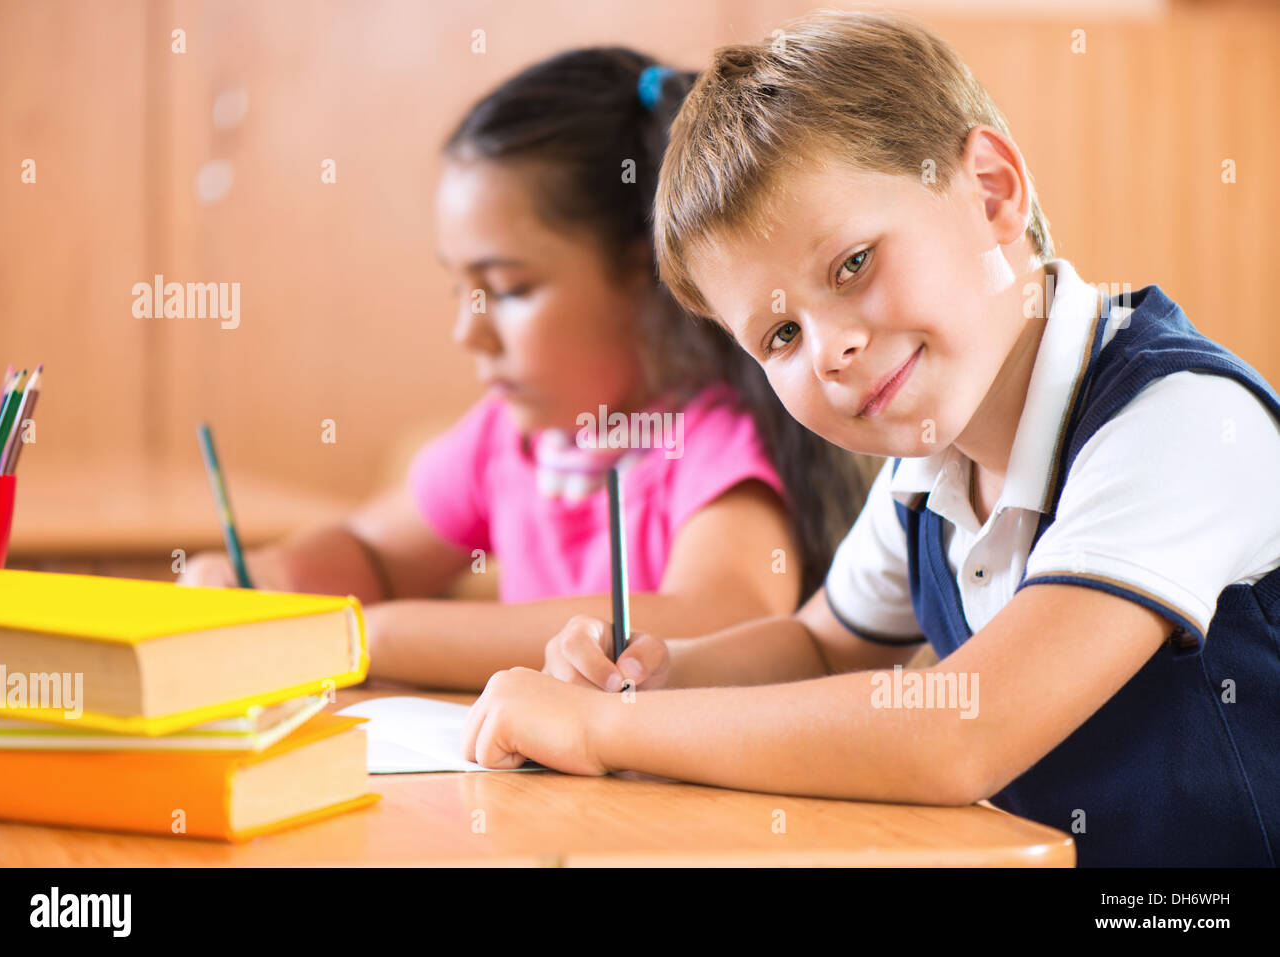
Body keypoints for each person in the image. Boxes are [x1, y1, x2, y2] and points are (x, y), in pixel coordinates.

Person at [463, 12, 1280, 866]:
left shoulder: (1179, 418)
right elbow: (818, 644)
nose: (830, 351)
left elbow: (964, 729)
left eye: (853, 264)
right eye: (779, 335)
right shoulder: (929, 465)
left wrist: (607, 728)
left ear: (994, 194)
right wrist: (655, 675)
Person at [180, 47, 871, 692]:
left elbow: (725, 617)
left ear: (649, 281)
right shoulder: (503, 441)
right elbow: (373, 551)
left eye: (506, 289)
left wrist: (367, 636)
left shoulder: (708, 445)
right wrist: (265, 581)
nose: (467, 330)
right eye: (460, 289)